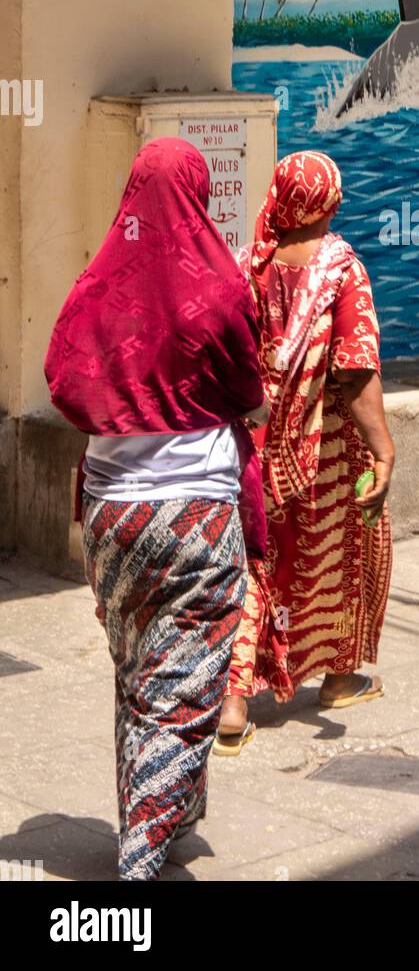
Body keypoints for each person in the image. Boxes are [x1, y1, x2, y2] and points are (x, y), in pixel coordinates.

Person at [45, 137, 269, 879]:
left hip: (112, 518)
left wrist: (127, 401)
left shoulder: (97, 284)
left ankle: (165, 817)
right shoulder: (220, 288)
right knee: (180, 690)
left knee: (142, 673)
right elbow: (247, 390)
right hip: (197, 517)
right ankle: (138, 866)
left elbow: (61, 379)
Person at [216, 150, 394, 754]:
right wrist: (384, 449)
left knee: (257, 561)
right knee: (338, 559)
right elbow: (353, 370)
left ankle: (235, 699)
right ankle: (340, 677)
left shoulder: (250, 264)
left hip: (260, 442)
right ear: (331, 203)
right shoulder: (342, 269)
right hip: (327, 452)